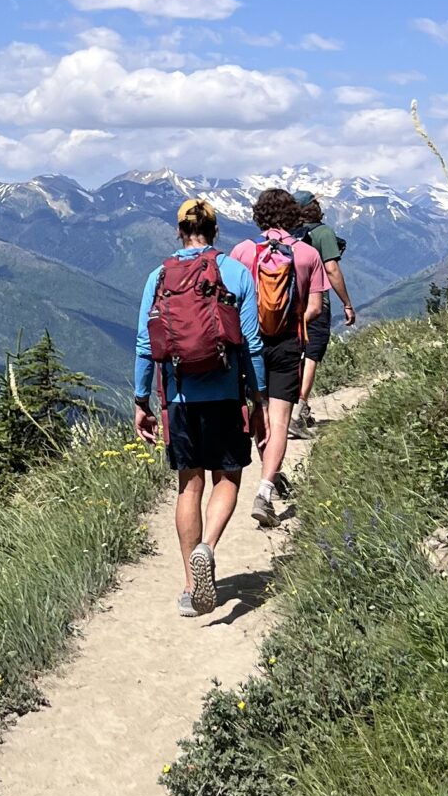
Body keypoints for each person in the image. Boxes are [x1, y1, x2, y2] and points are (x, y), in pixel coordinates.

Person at [134, 196, 266, 618]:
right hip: (226, 396)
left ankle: (192, 589)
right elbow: (251, 345)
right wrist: (258, 398)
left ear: (179, 232)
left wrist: (142, 401)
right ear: (215, 232)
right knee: (227, 477)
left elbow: (144, 345)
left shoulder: (159, 276)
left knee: (189, 485)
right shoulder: (236, 273)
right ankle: (207, 546)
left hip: (179, 399)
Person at [230, 187, 326, 528]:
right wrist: (296, 321)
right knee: (282, 418)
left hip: (248, 345)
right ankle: (266, 489)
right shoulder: (306, 255)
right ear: (293, 217)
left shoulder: (242, 251)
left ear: (259, 216)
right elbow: (315, 307)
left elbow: (228, 302)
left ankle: (267, 467)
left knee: (262, 411)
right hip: (287, 344)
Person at [292, 191, 356, 433]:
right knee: (311, 354)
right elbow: (332, 270)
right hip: (316, 303)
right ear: (314, 207)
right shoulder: (323, 233)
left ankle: (291, 408)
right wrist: (347, 303)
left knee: (294, 353)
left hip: (288, 304)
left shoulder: (288, 235)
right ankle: (297, 412)